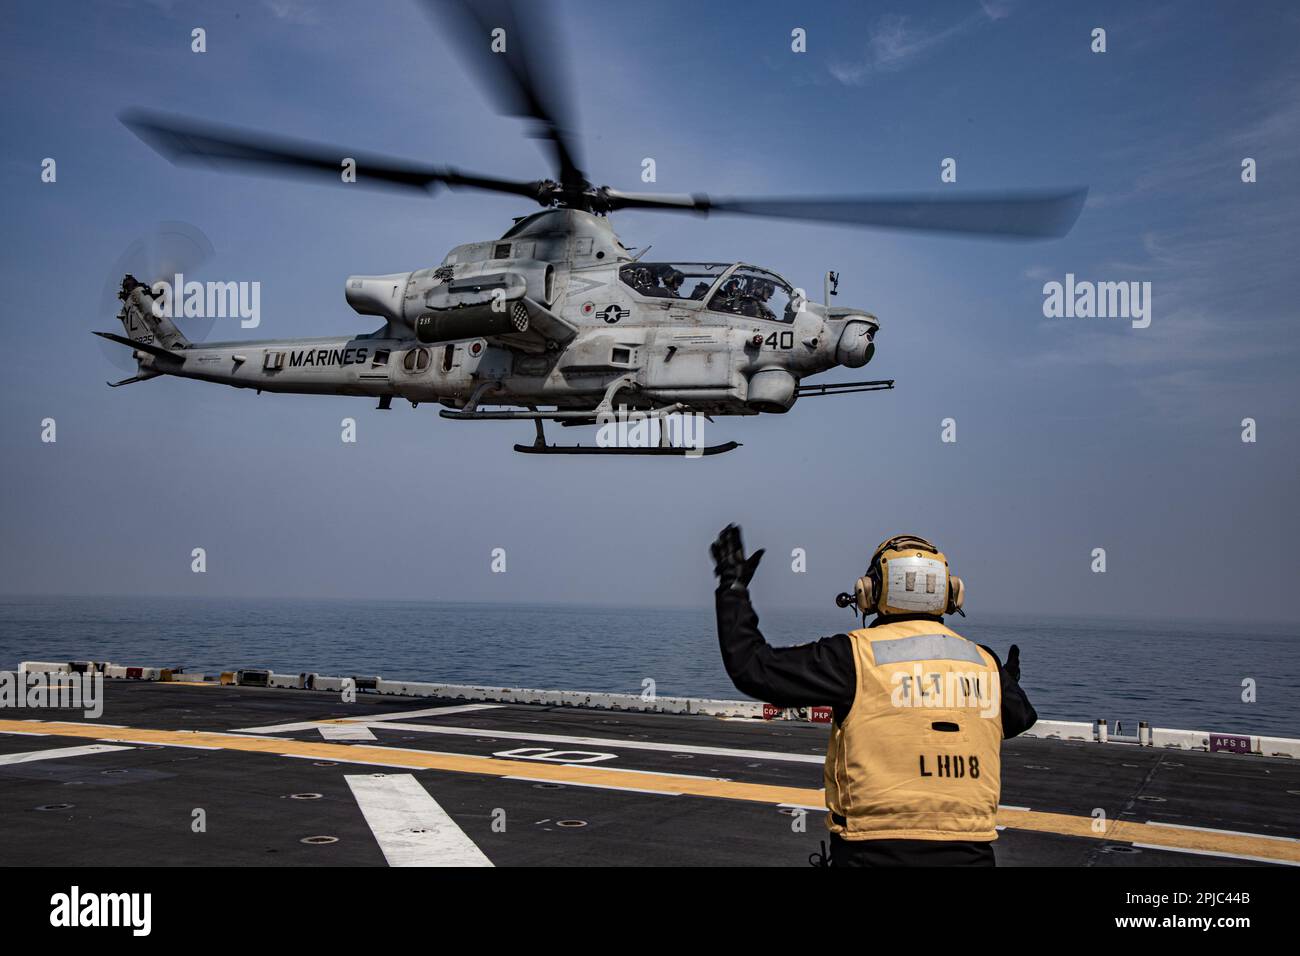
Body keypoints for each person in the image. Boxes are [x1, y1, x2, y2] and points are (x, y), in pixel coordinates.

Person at [710, 524, 1037, 867]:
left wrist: (732, 586)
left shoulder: (853, 657)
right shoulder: (983, 662)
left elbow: (753, 668)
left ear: (868, 592)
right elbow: (1020, 717)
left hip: (872, 853)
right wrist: (1006, 682)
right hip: (971, 855)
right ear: (952, 594)